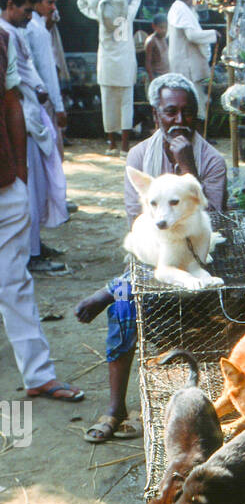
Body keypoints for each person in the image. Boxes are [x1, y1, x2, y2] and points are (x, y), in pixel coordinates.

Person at [75, 74, 227, 443]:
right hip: (153, 252)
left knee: (192, 282)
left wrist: (185, 163)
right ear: (156, 113)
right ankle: (115, 409)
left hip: (198, 253)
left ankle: (110, 289)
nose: (179, 119)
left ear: (197, 116)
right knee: (126, 306)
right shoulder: (140, 156)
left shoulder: (210, 159)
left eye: (187, 112)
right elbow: (140, 221)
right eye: (170, 111)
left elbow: (217, 220)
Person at [0, 26, 83, 402]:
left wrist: (20, 174)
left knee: (14, 282)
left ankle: (39, 376)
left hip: (5, 185)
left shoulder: (1, 39)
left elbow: (11, 102)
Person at [0, 0, 68, 273]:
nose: (31, 17)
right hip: (20, 121)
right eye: (27, 11)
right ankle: (29, 254)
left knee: (35, 187)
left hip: (31, 117)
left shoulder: (17, 31)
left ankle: (34, 246)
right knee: (22, 190)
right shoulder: (6, 34)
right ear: (10, 5)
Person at [78, 0, 141, 156]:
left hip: (107, 68)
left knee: (108, 105)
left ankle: (112, 145)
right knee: (125, 106)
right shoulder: (127, 15)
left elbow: (81, 5)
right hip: (125, 68)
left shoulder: (100, 17)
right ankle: (124, 148)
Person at [28, 0, 66, 157]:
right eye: (49, 2)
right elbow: (47, 71)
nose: (53, 8)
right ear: (36, 2)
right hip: (41, 101)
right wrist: (59, 107)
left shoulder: (28, 26)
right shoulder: (36, 30)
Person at [166, 0, 216, 119]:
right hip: (186, 63)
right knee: (192, 100)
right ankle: (196, 135)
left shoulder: (181, 8)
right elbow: (192, 35)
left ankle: (196, 135)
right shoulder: (181, 9)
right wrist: (213, 34)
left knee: (194, 98)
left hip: (185, 61)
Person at [144, 14, 169, 90]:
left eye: (166, 27)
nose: (164, 30)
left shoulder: (165, 38)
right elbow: (148, 63)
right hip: (157, 76)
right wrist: (153, 81)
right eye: (161, 27)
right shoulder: (151, 41)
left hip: (166, 74)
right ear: (154, 26)